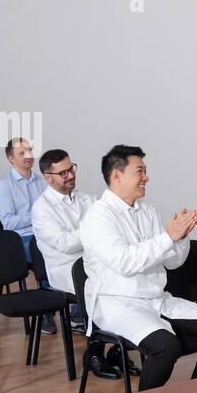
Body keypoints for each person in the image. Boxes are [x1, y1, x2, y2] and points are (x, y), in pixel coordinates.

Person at [79, 144, 197, 391]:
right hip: (119, 303)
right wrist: (167, 237)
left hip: (157, 299)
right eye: (140, 171)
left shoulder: (147, 211)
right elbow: (125, 262)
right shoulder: (98, 216)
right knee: (166, 348)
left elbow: (172, 262)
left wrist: (180, 237)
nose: (146, 177)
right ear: (117, 175)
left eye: (146, 171)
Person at [30, 148, 126, 378]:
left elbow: (110, 226)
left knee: (127, 278)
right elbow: (65, 244)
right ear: (48, 177)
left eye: (71, 168)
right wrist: (93, 230)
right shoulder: (41, 209)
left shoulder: (88, 199)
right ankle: (94, 354)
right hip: (66, 270)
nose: (70, 175)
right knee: (101, 287)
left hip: (93, 262)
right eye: (63, 173)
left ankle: (118, 350)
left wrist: (93, 233)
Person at [0, 136, 51, 331]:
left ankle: (77, 312)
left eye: (30, 150)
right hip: (19, 240)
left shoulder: (42, 182)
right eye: (22, 153)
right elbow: (8, 222)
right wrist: (38, 215)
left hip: (43, 234)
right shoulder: (4, 186)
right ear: (11, 159)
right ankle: (45, 312)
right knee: (41, 249)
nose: (28, 156)